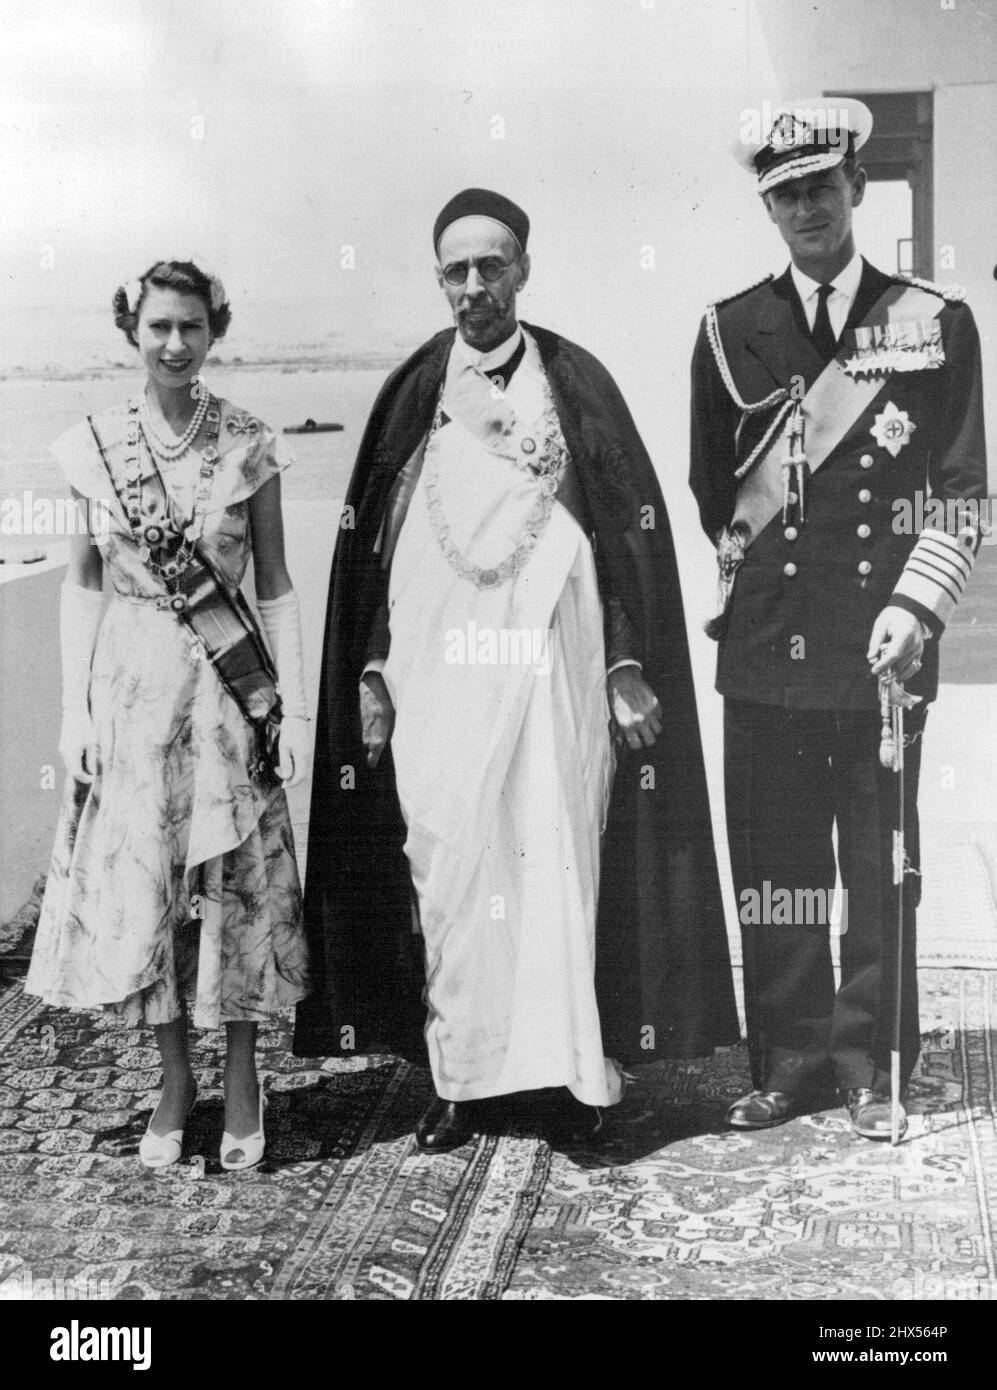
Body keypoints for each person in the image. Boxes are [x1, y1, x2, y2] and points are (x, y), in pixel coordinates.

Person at [294, 187, 739, 1151]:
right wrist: (370, 670)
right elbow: (370, 554)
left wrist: (627, 660)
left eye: (491, 265)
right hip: (440, 676)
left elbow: (627, 540)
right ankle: (464, 1080)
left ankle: (578, 1074)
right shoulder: (414, 393)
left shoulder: (574, 384)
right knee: (451, 860)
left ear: (524, 269)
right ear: (438, 279)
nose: (473, 286)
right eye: (454, 269)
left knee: (557, 854)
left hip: (555, 669)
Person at [689, 100, 987, 1139]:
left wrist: (914, 606)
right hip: (769, 654)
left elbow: (959, 491)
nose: (806, 207)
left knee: (875, 866)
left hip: (883, 650)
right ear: (767, 207)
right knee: (777, 874)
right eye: (784, 194)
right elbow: (708, 491)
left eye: (821, 185)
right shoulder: (730, 332)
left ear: (856, 188)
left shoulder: (933, 322)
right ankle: (790, 1060)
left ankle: (870, 1059)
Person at [26, 259, 311, 1171]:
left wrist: (290, 713)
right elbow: (81, 589)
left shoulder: (250, 444)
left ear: (215, 331)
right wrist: (74, 716)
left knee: (232, 895)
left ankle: (241, 1081)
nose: (176, 344)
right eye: (158, 327)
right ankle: (174, 1082)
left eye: (192, 326)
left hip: (228, 702)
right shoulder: (94, 447)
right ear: (132, 332)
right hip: (134, 696)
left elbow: (274, 587)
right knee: (153, 894)